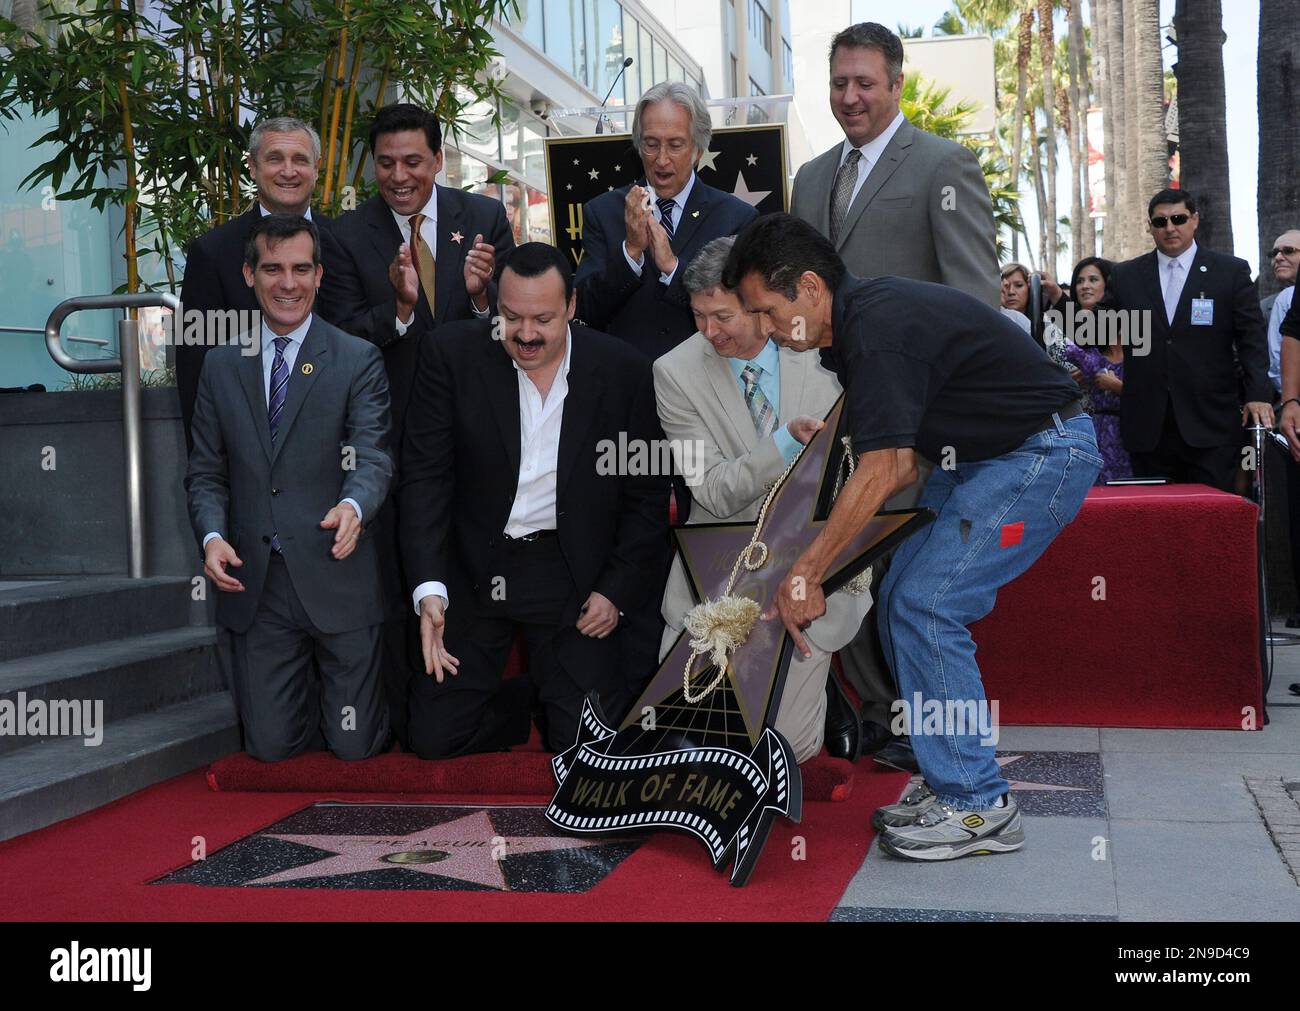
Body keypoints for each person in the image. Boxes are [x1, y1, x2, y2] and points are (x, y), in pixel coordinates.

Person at [724, 213, 1098, 861]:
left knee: (928, 602)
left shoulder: (876, 327)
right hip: (986, 458)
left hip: (1043, 451)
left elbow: (888, 467)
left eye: (766, 310)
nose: (764, 329)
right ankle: (954, 775)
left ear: (811, 288)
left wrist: (808, 572)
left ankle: (980, 804)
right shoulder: (856, 328)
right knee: (905, 597)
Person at [398, 243, 671, 758]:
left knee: (587, 749)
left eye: (543, 319)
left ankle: (555, 699)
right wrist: (429, 589)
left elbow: (647, 496)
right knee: (432, 739)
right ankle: (523, 700)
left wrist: (615, 589)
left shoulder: (623, 371)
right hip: (477, 563)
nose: (525, 334)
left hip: (570, 570)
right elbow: (424, 480)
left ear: (571, 306)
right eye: (510, 318)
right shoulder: (450, 355)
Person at [320, 102, 515, 745]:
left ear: (438, 159)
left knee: (474, 555)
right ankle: (407, 708)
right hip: (392, 436)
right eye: (385, 163)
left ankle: (475, 688)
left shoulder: (483, 217)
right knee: (403, 564)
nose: (399, 176)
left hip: (478, 430)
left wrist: (486, 298)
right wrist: (399, 311)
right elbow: (341, 336)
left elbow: (522, 327)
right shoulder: (346, 236)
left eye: (413, 161)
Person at [653, 237, 874, 763]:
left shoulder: (828, 347)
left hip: (809, 572)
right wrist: (784, 444)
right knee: (688, 738)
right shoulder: (673, 372)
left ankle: (821, 691)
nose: (710, 331)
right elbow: (709, 489)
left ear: (756, 303)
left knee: (787, 749)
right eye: (698, 316)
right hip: (720, 578)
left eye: (723, 315)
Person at [186, 214, 393, 762]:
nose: (288, 283)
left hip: (337, 570)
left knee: (353, 747)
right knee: (271, 748)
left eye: (301, 269)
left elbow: (372, 455)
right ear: (249, 275)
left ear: (320, 276)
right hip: (257, 585)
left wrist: (355, 505)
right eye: (273, 269)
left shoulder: (356, 359)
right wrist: (210, 537)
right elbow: (206, 472)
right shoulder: (220, 366)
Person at [790, 22, 999, 308]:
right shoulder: (809, 179)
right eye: (839, 84)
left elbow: (975, 298)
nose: (850, 97)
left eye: (865, 84)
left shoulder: (946, 166)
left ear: (897, 85)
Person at [574, 81, 758, 364]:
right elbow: (585, 309)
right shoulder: (604, 212)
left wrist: (673, 268)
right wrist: (631, 253)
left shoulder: (736, 218)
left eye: (675, 145)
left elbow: (745, 310)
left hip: (709, 385)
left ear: (698, 149)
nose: (661, 160)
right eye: (651, 144)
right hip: (629, 388)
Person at [178, 116, 331, 450]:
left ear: (317, 168)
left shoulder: (346, 244)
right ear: (251, 166)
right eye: (275, 159)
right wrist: (210, 468)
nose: (288, 171)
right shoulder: (213, 253)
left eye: (300, 160)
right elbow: (196, 371)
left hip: (337, 450)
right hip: (248, 453)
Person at [1107, 189, 1271, 491]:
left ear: (1194, 220)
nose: (1170, 227)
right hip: (1148, 426)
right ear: (1150, 227)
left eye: (1178, 218)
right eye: (1160, 222)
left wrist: (1257, 393)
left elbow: (1252, 337)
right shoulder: (1125, 276)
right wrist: (1053, 301)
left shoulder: (1230, 272)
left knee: (1211, 521)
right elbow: (1097, 329)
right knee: (1154, 523)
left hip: (1210, 422)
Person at [1060, 257, 1131, 483]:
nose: (1085, 286)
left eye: (1093, 279)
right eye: (1080, 281)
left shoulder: (1140, 340)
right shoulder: (1067, 328)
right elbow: (1069, 354)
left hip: (1130, 433)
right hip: (1083, 432)